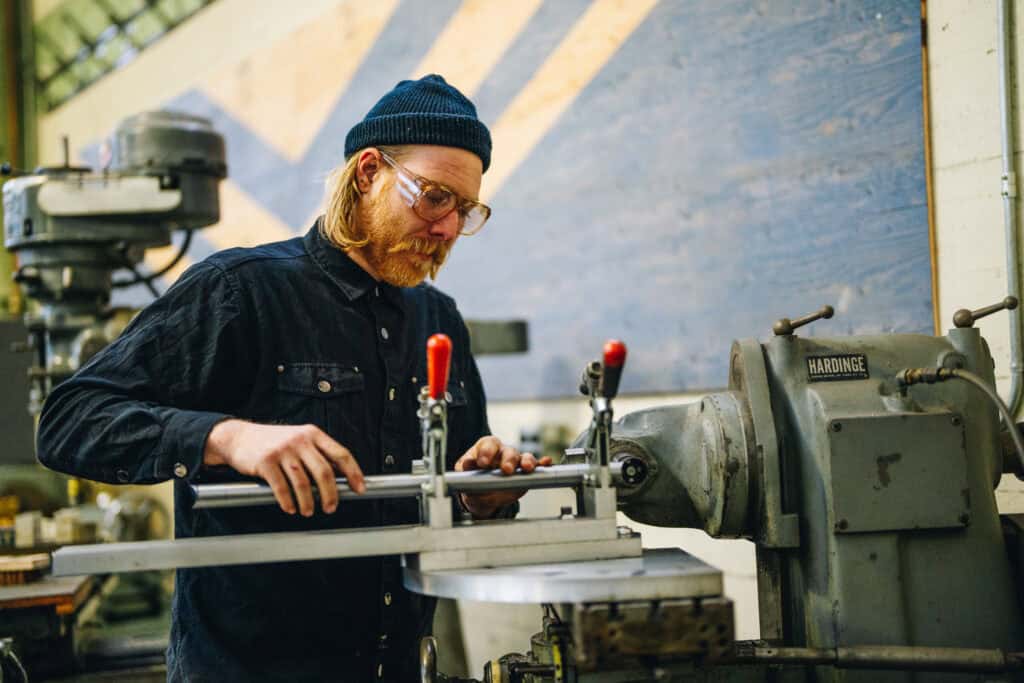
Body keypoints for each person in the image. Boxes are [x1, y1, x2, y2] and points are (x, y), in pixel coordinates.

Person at [36, 74, 549, 682]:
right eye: (434, 197)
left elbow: (456, 490)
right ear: (367, 173)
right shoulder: (238, 292)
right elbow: (68, 421)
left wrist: (480, 498)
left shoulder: (439, 321)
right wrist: (226, 437)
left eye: (464, 210)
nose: (445, 229)